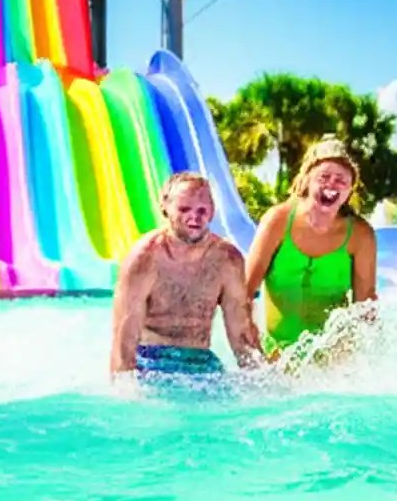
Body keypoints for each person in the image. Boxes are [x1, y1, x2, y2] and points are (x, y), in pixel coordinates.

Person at [110, 171, 263, 380]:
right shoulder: (143, 259)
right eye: (184, 209)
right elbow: (124, 340)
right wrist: (124, 390)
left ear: (212, 211)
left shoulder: (227, 260)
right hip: (152, 363)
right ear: (165, 208)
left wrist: (262, 381)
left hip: (201, 362)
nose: (195, 217)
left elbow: (242, 336)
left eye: (202, 210)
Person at [244, 136, 378, 364]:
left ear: (349, 190)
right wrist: (250, 348)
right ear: (307, 180)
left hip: (331, 360)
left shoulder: (360, 236)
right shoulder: (277, 221)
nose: (332, 185)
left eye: (341, 180)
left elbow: (365, 308)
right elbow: (245, 292)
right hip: (274, 357)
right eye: (324, 177)